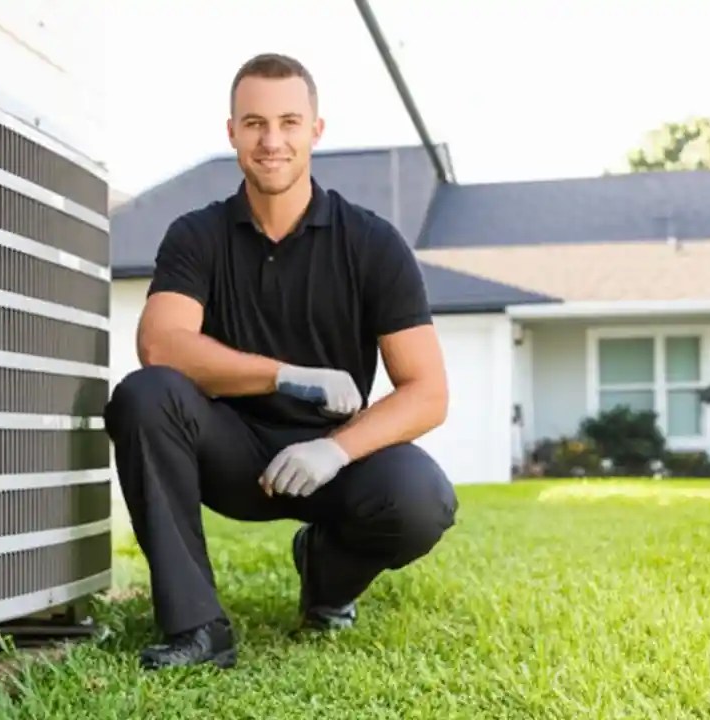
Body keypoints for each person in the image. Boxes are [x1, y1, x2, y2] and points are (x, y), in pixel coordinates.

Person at [103, 52, 459, 671]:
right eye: (255, 123)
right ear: (233, 132)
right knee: (145, 393)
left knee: (421, 496)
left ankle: (326, 580)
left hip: (334, 455)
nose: (272, 141)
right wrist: (286, 375)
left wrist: (336, 449)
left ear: (316, 131)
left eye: (290, 122)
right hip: (231, 451)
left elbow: (427, 392)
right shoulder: (197, 235)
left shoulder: (372, 243)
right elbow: (161, 345)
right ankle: (198, 628)